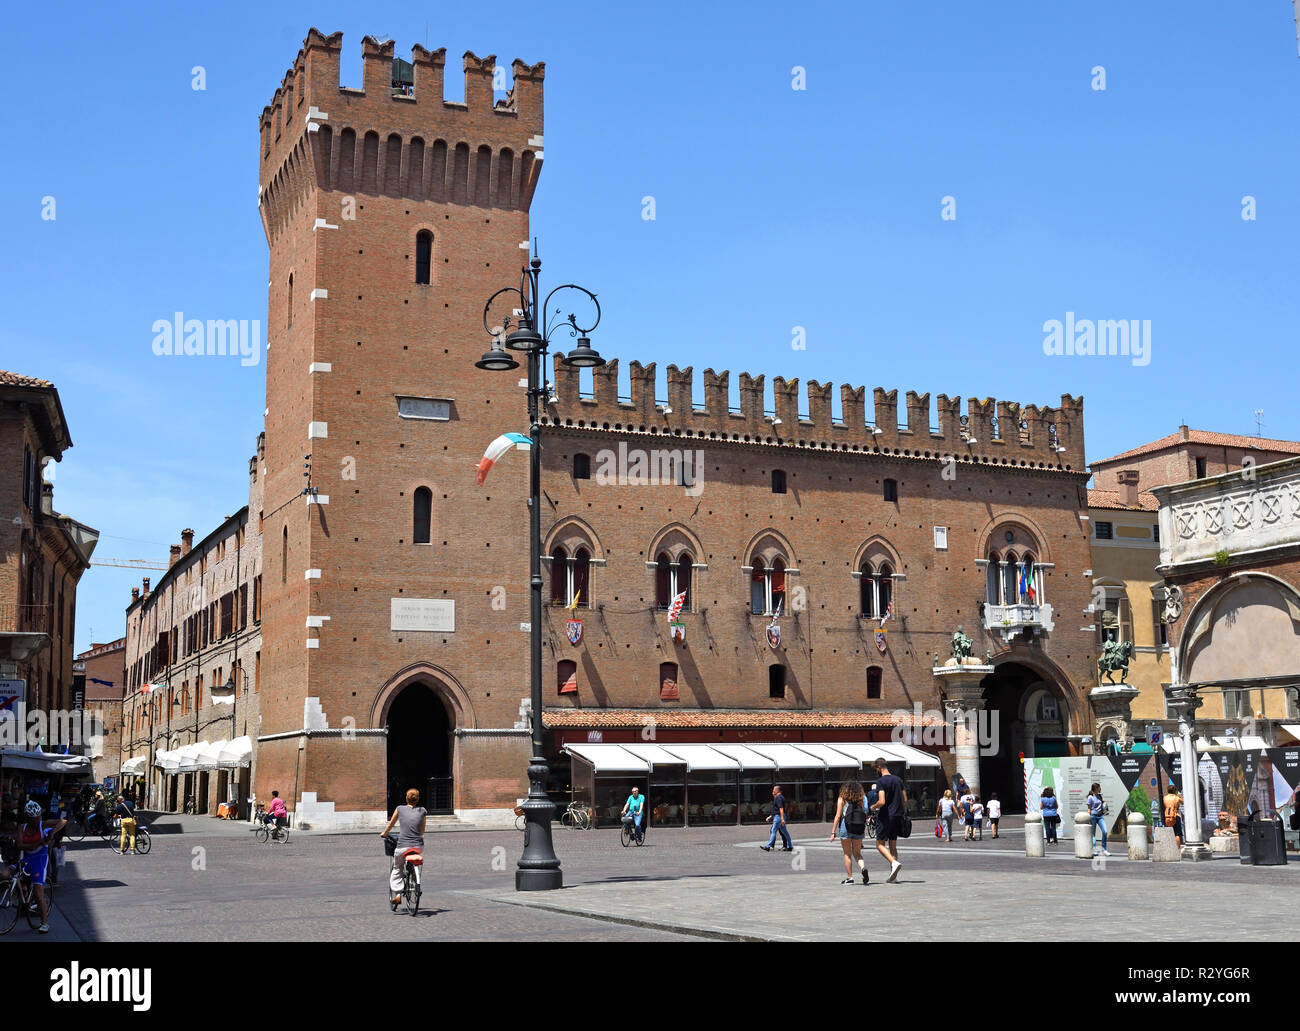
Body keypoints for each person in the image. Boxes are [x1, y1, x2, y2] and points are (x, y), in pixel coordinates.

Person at [19, 800, 65, 933]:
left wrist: (51, 833)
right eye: (33, 818)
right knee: (6, 874)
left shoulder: (42, 824)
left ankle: (44, 922)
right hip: (26, 859)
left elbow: (63, 821)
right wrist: (35, 844)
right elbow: (20, 846)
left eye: (37, 817)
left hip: (39, 859)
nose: (36, 820)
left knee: (39, 891)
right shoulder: (22, 827)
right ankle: (26, 897)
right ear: (28, 817)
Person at [380, 788, 427, 909]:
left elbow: (391, 824)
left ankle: (397, 895)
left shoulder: (400, 809)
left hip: (403, 846)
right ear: (418, 799)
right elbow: (422, 831)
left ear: (406, 798)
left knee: (397, 868)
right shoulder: (422, 811)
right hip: (418, 846)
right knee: (411, 862)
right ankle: (415, 882)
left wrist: (384, 833)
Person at [868, 757, 906, 882]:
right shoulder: (898, 780)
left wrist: (873, 806)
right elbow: (905, 799)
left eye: (876, 769)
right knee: (893, 845)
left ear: (879, 767)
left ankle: (893, 863)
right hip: (897, 815)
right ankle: (893, 876)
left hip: (885, 816)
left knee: (879, 845)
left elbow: (882, 801)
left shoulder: (880, 782)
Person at [830, 780, 870, 884]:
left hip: (845, 826)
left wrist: (833, 832)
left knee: (847, 854)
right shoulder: (861, 799)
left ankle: (850, 878)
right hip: (859, 826)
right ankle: (863, 868)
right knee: (857, 853)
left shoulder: (842, 799)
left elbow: (838, 816)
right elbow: (864, 812)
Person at [760, 784, 793, 852]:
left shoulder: (778, 798)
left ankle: (768, 846)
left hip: (778, 817)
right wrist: (770, 816)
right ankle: (790, 846)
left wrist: (782, 818)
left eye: (774, 790)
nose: (773, 791)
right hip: (779, 816)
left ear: (777, 790)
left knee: (773, 831)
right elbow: (777, 809)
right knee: (785, 832)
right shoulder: (780, 797)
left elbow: (781, 808)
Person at [1087, 782, 1110, 856]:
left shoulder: (1100, 796)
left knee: (1105, 831)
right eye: (1099, 788)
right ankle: (1093, 850)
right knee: (1093, 834)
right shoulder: (1090, 797)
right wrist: (1088, 818)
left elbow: (1104, 803)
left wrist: (1104, 803)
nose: (1100, 789)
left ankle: (1104, 849)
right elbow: (1089, 809)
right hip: (1093, 816)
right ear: (1096, 788)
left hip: (1100, 816)